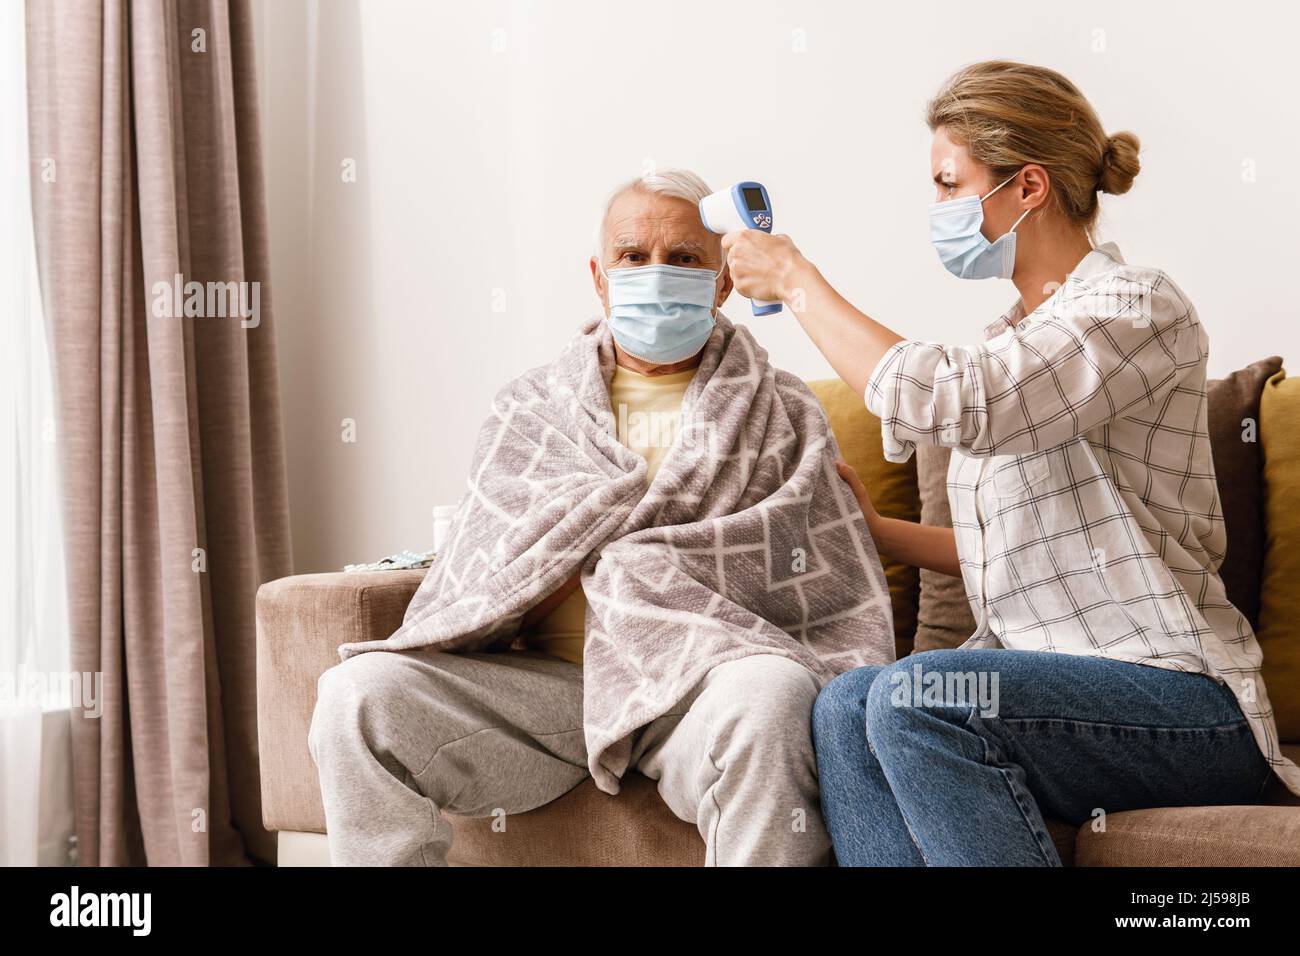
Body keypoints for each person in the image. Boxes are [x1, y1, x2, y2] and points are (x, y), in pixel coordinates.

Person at [721, 60, 1300, 866]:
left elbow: (964, 400)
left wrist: (795, 280)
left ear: (1027, 187)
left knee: (918, 696)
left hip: (1182, 703)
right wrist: (879, 531)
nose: (936, 210)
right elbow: (1012, 556)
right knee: (844, 705)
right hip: (1040, 691)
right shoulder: (1013, 343)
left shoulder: (1135, 308)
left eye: (949, 184)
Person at [307, 169, 894, 866]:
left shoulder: (784, 412)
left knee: (772, 691)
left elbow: (820, 589)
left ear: (725, 279)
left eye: (683, 259)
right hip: (548, 692)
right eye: (632, 256)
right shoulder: (531, 407)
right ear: (598, 274)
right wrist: (561, 561)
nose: (656, 273)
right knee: (357, 696)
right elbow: (484, 574)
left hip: (696, 684)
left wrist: (633, 567)